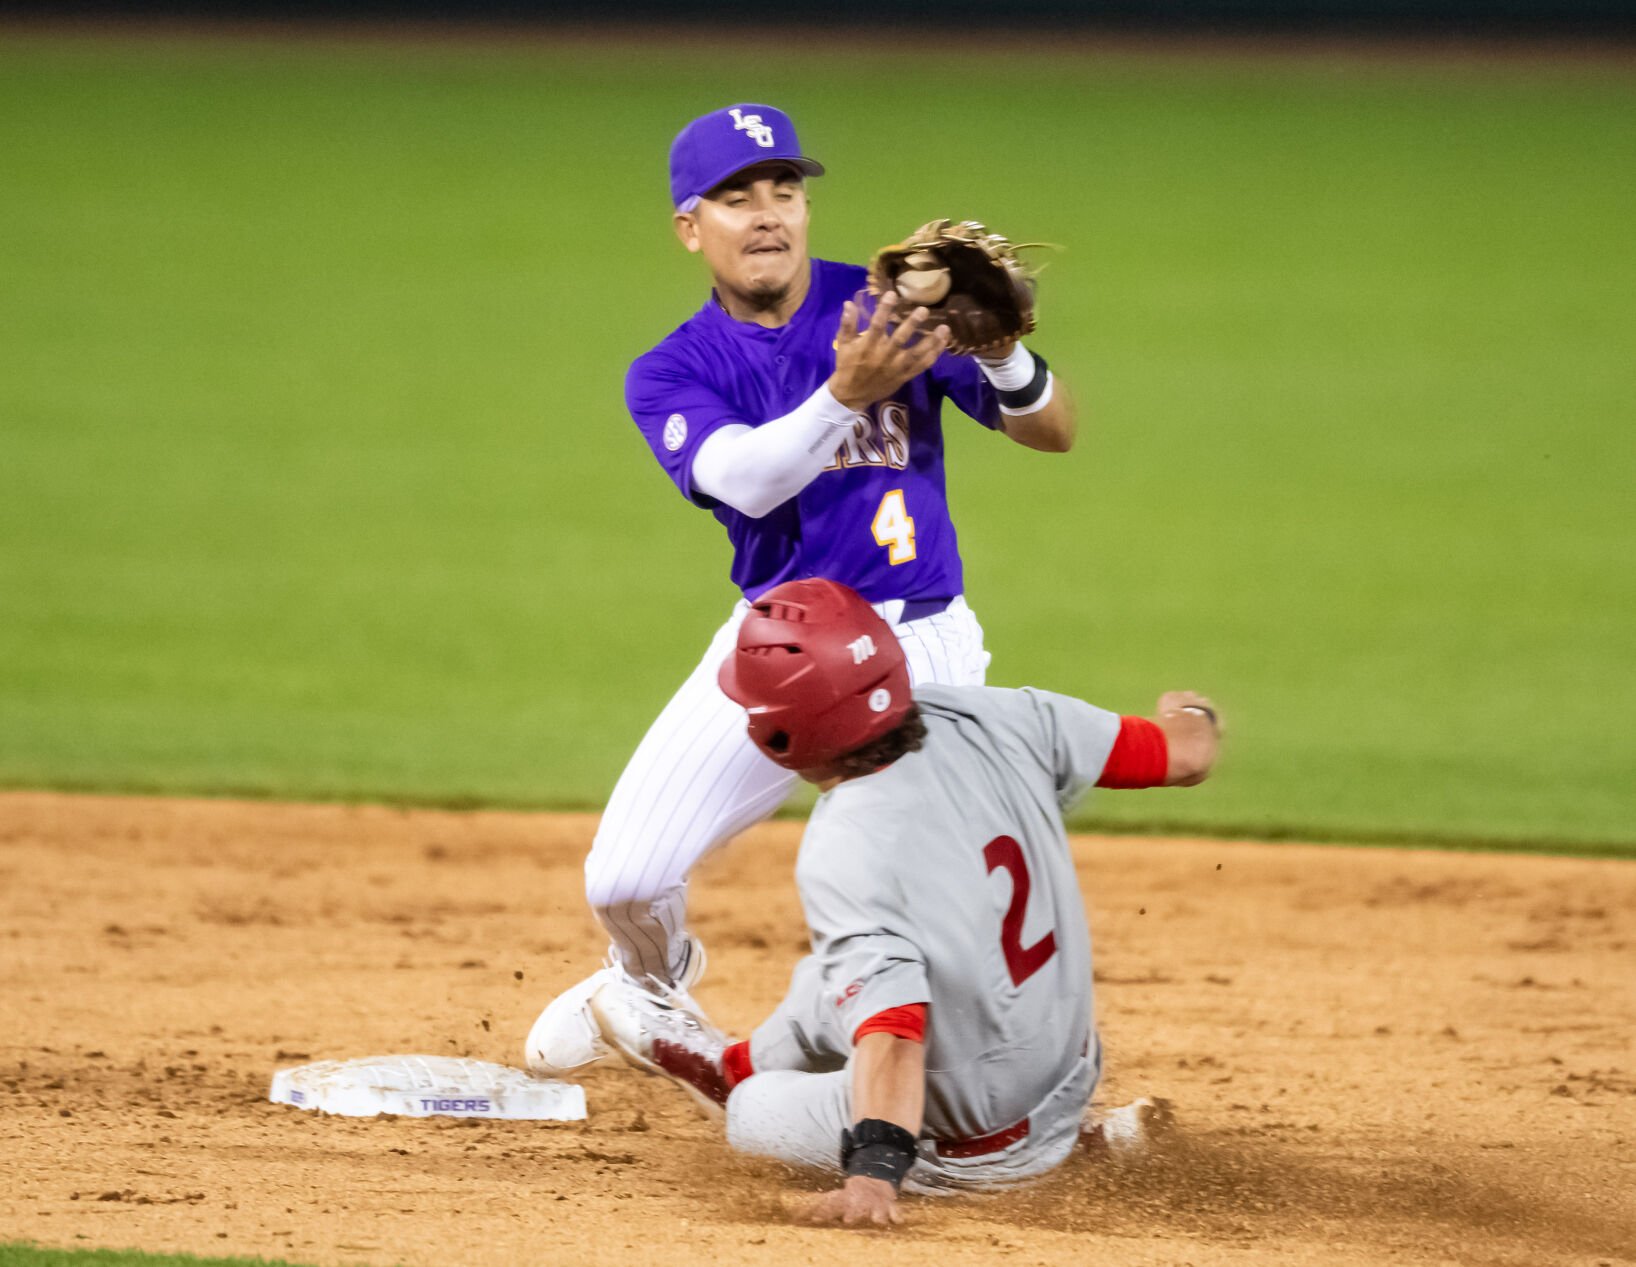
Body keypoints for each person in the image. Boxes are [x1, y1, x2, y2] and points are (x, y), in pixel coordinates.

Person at [527, 103, 1079, 1075]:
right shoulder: (670, 370)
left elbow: (1053, 430)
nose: (769, 212)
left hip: (923, 646)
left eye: (784, 189)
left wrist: (999, 354)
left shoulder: (883, 307)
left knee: (948, 901)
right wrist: (842, 396)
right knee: (624, 877)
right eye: (737, 197)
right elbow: (744, 478)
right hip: (776, 649)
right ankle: (648, 987)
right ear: (691, 229)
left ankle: (1022, 1089)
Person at [585, 578, 1221, 1225]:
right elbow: (1185, 755)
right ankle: (730, 1064)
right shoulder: (995, 714)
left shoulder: (846, 846)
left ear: (782, 732)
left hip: (982, 1143)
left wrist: (874, 1176)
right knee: (841, 972)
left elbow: (895, 1028)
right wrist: (1194, 713)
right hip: (1069, 1066)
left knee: (754, 1114)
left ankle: (1047, 1153)